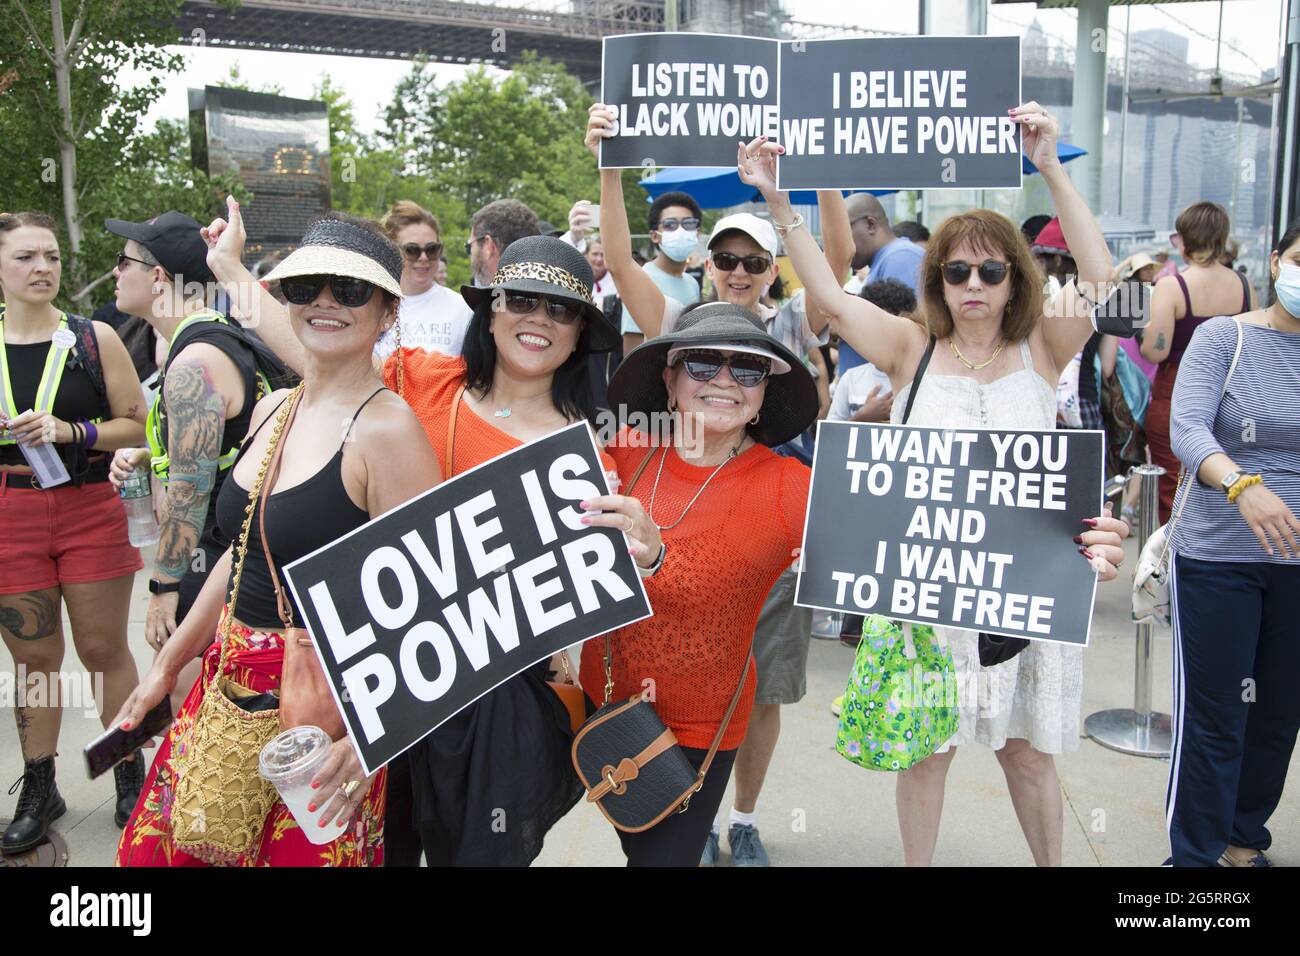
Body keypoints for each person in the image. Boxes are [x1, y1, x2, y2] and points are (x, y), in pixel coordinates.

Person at [739, 102, 1130, 867]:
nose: (974, 283)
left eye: (991, 269)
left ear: (1014, 277)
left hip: (1022, 589)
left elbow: (1104, 277)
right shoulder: (910, 348)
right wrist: (779, 202)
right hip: (928, 591)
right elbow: (828, 297)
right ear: (938, 281)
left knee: (1026, 754)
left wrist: (1048, 163)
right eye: (957, 270)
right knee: (928, 752)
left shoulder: (1043, 347)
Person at [112, 212, 441, 866]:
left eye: (349, 290)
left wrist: (369, 739)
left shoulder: (388, 432)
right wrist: (167, 665)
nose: (324, 300)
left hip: (327, 711)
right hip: (225, 687)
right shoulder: (272, 410)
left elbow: (425, 610)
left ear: (385, 313)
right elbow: (242, 556)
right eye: (307, 285)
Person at [375, 235, 624, 865]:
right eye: (521, 300)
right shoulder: (420, 382)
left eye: (560, 309)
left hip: (500, 707)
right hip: (389, 680)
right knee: (384, 847)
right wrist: (230, 272)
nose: (537, 319)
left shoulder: (588, 457)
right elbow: (317, 350)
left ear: (578, 334)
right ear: (491, 310)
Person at [576, 301, 820, 866]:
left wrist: (1058, 548)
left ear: (762, 393)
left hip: (696, 729)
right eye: (703, 363)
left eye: (748, 369)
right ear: (669, 377)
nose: (726, 381)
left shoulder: (793, 488)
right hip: (598, 703)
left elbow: (894, 547)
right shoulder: (621, 451)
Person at [0, 211, 148, 851]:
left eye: (52, 257)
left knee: (102, 649)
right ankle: (40, 784)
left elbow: (137, 425)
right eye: (26, 257)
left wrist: (71, 432)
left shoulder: (93, 338)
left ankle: (129, 771)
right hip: (11, 513)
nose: (42, 268)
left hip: (89, 505)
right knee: (33, 657)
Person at [106, 211, 291, 712]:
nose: (115, 274)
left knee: (184, 711)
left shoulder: (195, 362)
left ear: (159, 276)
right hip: (230, 552)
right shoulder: (215, 336)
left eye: (123, 262)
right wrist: (151, 454)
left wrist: (164, 587)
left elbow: (188, 494)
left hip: (211, 558)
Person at [1164, 220, 1300, 868]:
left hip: (1295, 564)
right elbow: (1186, 426)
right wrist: (1242, 485)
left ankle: (1245, 844)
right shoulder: (1229, 336)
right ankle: (1194, 860)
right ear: (1276, 262)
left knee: (1278, 715)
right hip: (1219, 555)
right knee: (1217, 716)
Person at [1142, 202, 1256, 522]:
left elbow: (1156, 351)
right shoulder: (1245, 286)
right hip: (1232, 394)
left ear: (1184, 239)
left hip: (1178, 387)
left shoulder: (1172, 286)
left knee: (1171, 481)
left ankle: (1170, 559)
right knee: (1223, 477)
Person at [373, 200, 472, 359]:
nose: (424, 257)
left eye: (432, 249)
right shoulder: (372, 305)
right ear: (391, 251)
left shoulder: (462, 309)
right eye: (412, 250)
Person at [838, 192, 925, 375]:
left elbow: (899, 335)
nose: (836, 242)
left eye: (841, 231)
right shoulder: (889, 258)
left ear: (870, 224)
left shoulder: (901, 258)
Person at [466, 198, 540, 288]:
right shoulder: (550, 295)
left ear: (488, 245)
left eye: (469, 247)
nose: (470, 255)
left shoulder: (499, 299)